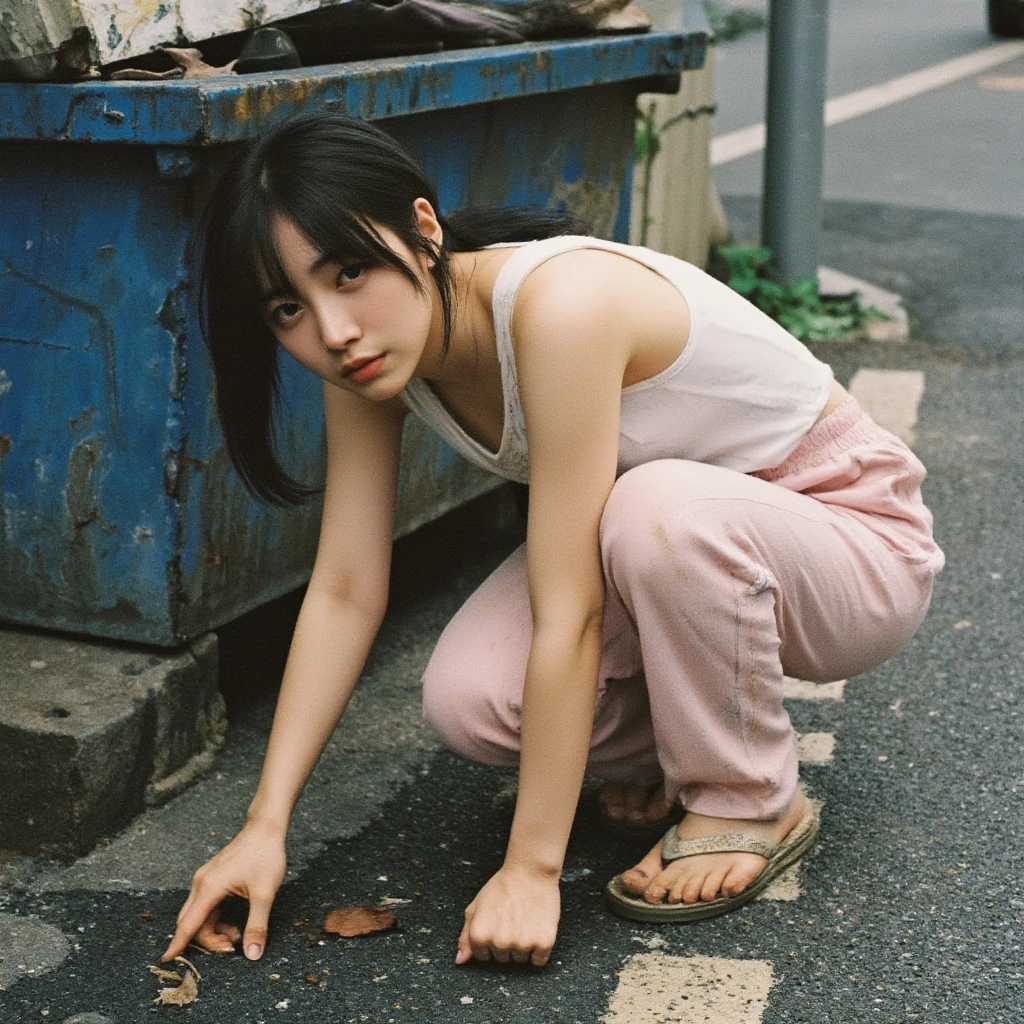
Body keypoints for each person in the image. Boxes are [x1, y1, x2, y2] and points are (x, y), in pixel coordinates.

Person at [162, 112, 943, 968]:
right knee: (471, 701)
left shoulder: (560, 306)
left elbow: (568, 608)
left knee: (654, 509)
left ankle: (751, 796)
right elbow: (348, 586)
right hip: (682, 549)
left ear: (423, 231)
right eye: (289, 309)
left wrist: (530, 870)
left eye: (349, 272)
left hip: (852, 541)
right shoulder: (367, 359)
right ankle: (693, 738)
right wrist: (263, 827)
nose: (334, 329)